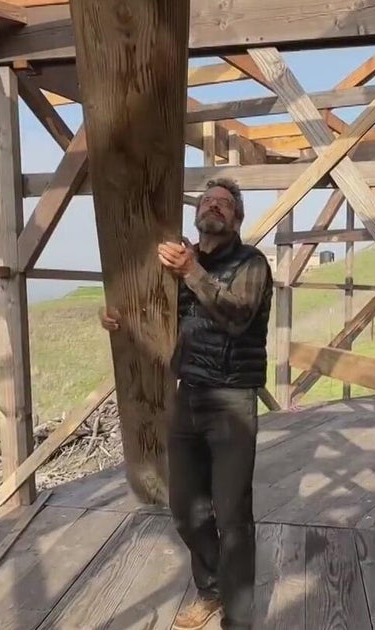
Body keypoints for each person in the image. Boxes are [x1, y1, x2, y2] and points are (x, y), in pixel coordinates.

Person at [99, 178, 273, 630]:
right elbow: (154, 314)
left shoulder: (251, 263)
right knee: (186, 511)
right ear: (197, 214)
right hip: (189, 395)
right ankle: (212, 590)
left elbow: (238, 315)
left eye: (224, 203)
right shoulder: (179, 265)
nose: (213, 205)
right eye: (207, 200)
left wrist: (191, 270)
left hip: (232, 400)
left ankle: (238, 618)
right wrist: (118, 318)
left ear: (236, 218)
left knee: (233, 515)